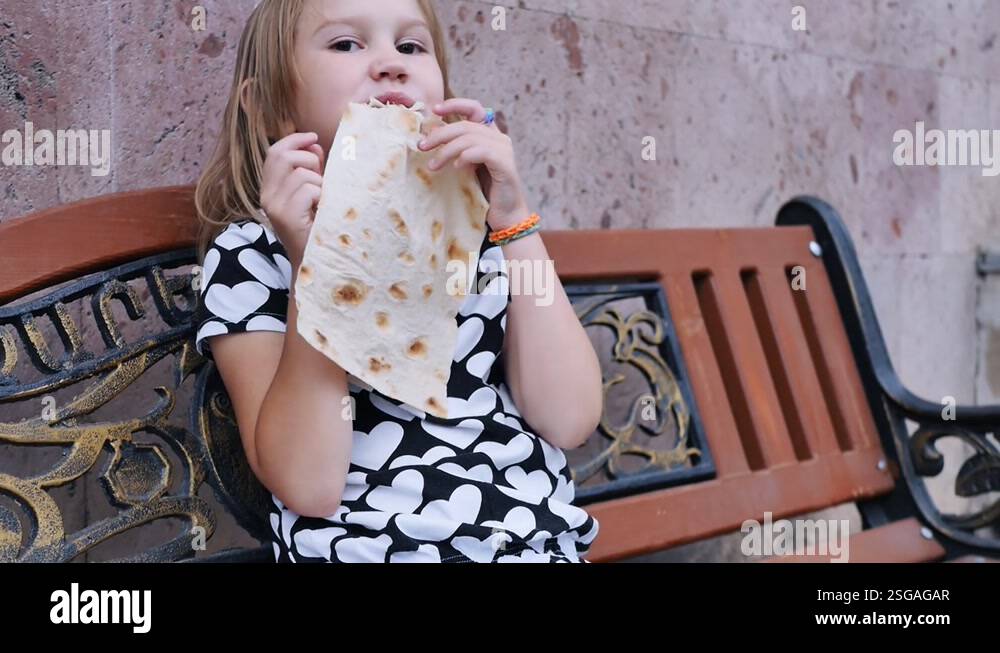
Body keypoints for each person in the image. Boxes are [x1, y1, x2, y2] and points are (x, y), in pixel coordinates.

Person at [192, 0, 603, 563]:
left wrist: (514, 219)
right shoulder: (254, 257)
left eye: (411, 46)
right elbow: (308, 484)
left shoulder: (479, 233)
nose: (391, 64)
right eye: (346, 44)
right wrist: (319, 267)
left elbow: (571, 417)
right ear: (269, 108)